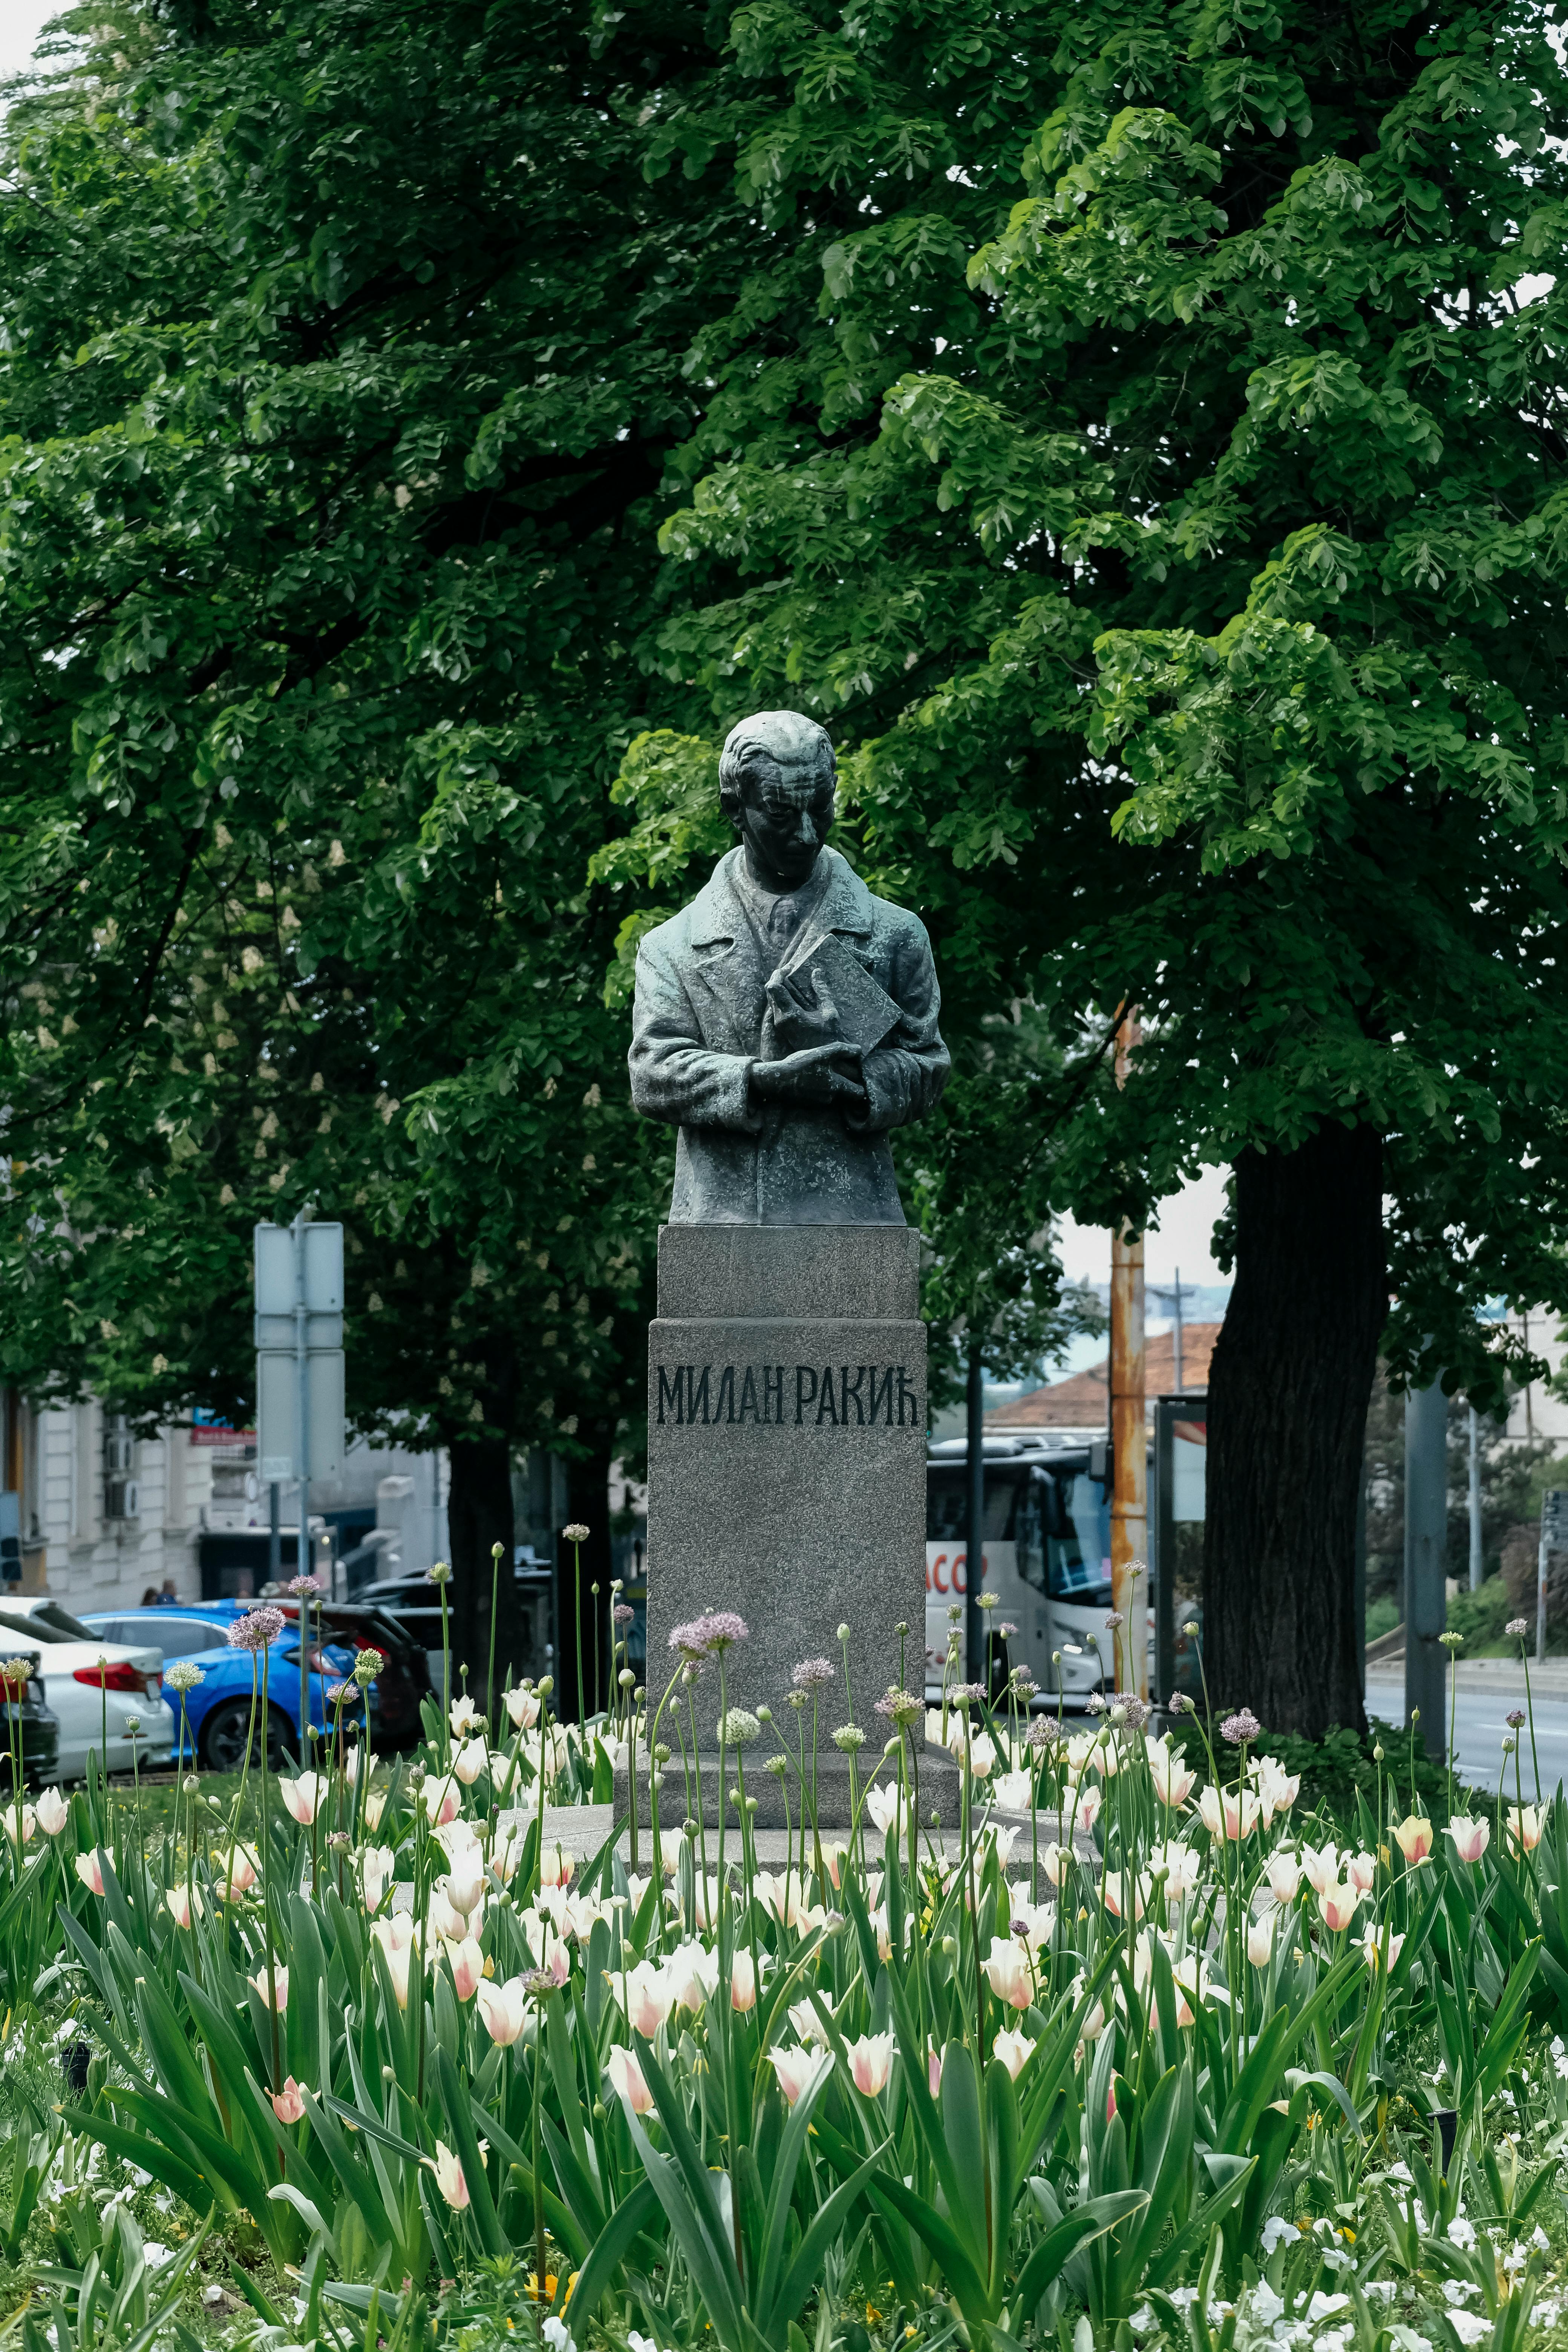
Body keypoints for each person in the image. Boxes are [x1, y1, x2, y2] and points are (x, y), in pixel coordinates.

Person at [628, 710, 949, 1222]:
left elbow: (929, 1068)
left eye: (820, 809)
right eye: (780, 814)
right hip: (718, 1226)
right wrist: (765, 1081)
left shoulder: (896, 934)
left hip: (853, 1222)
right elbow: (652, 1076)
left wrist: (849, 1071)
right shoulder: (673, 946)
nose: (806, 834)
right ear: (734, 808)